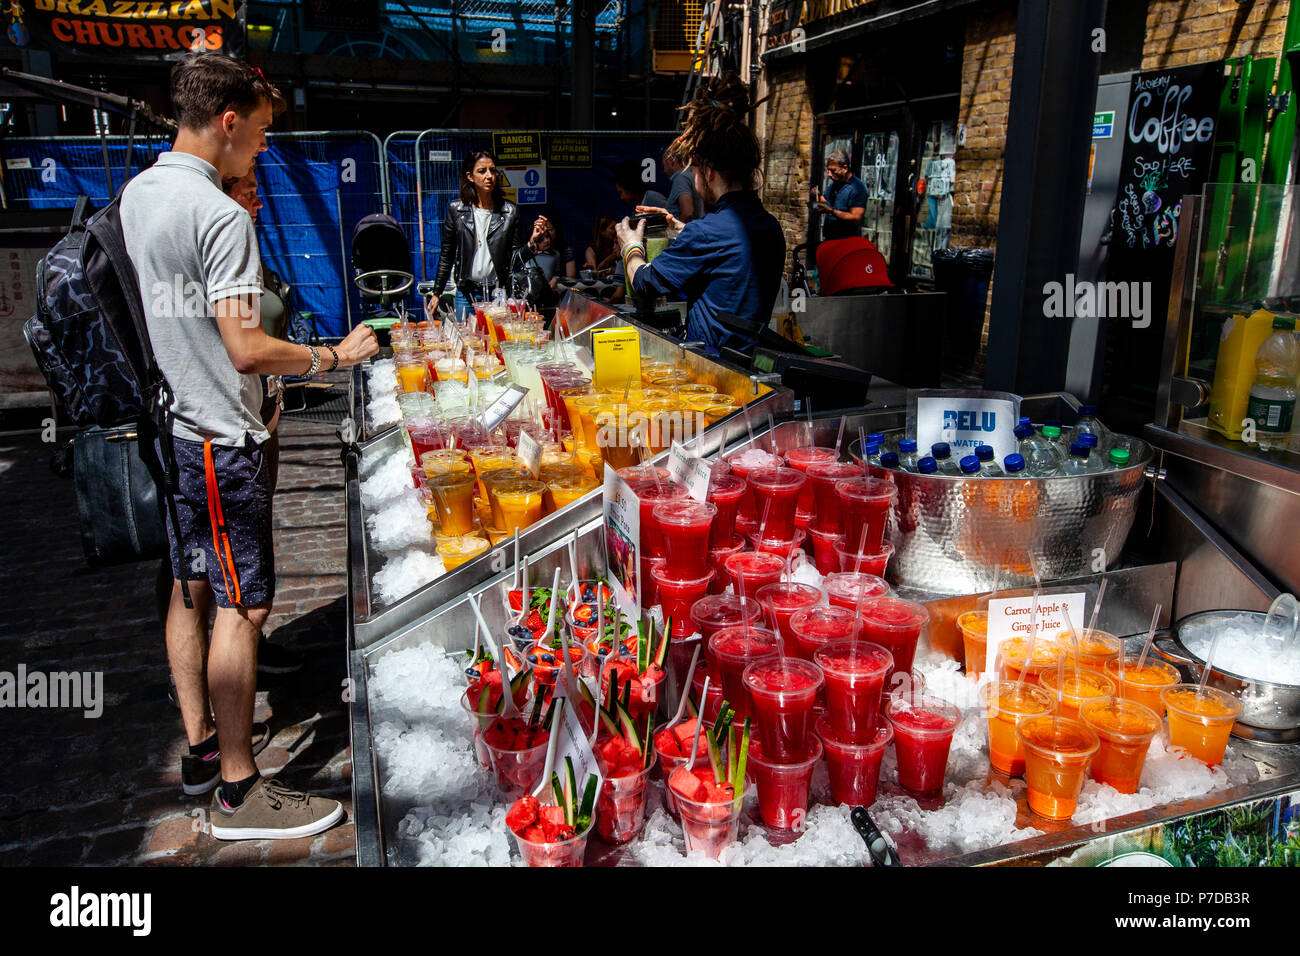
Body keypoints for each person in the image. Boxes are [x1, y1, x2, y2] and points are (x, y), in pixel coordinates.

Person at [121, 52, 378, 839]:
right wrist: (337, 356)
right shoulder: (221, 215)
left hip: (174, 427)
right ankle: (238, 790)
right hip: (222, 437)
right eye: (261, 136)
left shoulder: (139, 193)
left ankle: (201, 747)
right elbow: (244, 346)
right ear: (227, 122)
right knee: (245, 606)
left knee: (188, 587)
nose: (262, 151)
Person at [616, 73, 785, 351]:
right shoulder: (769, 226)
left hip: (712, 373)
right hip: (752, 366)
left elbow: (646, 283)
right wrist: (679, 228)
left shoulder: (708, 233)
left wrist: (630, 247)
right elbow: (729, 254)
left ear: (708, 172)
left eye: (692, 170)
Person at [427, 150, 543, 319]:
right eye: (482, 171)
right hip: (466, 291)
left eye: (493, 170)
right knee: (469, 341)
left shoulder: (509, 211)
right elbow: (447, 254)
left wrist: (532, 243)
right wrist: (437, 292)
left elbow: (513, 260)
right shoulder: (456, 209)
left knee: (496, 341)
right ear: (470, 176)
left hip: (498, 292)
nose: (489, 176)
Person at [815, 149, 867, 240]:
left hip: (846, 242)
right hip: (830, 239)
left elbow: (855, 218)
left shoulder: (857, 188)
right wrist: (817, 196)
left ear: (845, 168)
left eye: (833, 170)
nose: (829, 174)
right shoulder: (835, 184)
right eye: (828, 170)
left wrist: (831, 211)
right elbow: (826, 204)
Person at [662, 142, 699, 223]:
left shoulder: (681, 178)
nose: (664, 170)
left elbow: (688, 213)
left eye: (664, 165)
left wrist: (681, 233)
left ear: (671, 161)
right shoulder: (694, 175)